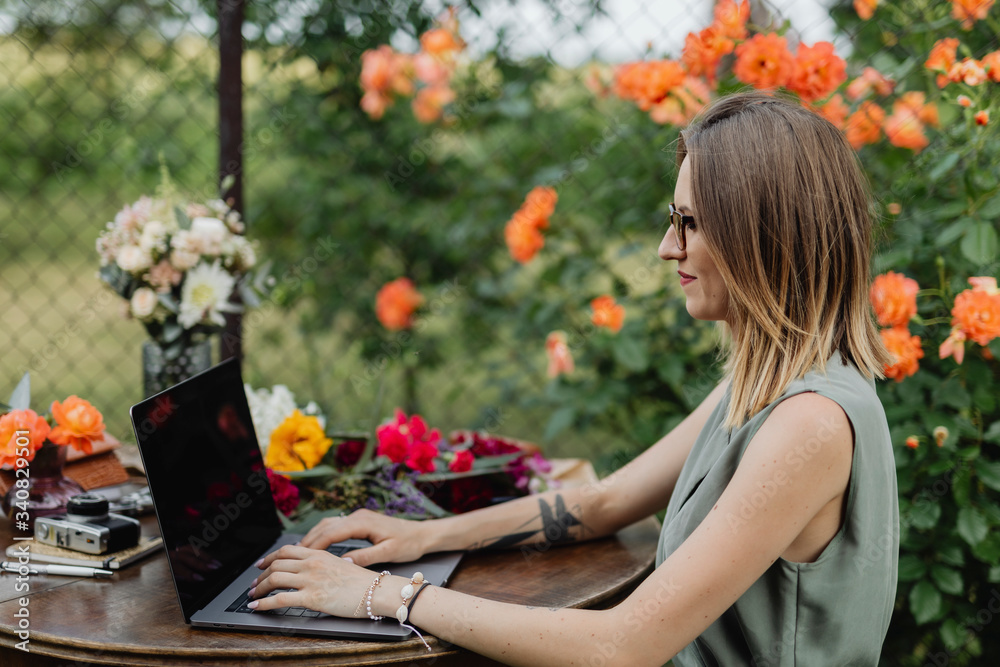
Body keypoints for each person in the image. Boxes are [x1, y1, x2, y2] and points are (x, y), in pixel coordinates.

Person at [250, 91, 900, 666]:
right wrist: (422, 534)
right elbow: (606, 501)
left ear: (763, 236)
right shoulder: (771, 382)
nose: (666, 248)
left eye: (690, 223)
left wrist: (382, 595)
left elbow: (622, 645)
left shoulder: (808, 423)